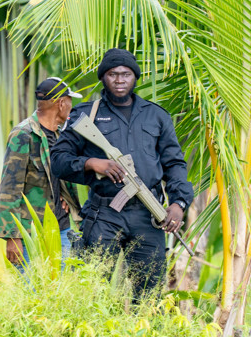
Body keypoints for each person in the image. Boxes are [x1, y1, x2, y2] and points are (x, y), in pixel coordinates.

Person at [51, 48, 194, 297]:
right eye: (112, 74)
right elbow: (58, 161)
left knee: (149, 295)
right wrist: (93, 163)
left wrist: (179, 203)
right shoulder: (86, 115)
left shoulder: (156, 116)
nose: (119, 80)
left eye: (126, 74)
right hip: (103, 213)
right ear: (103, 78)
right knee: (95, 289)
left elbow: (175, 165)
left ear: (135, 77)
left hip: (148, 215)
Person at [0, 77, 83, 266]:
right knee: (33, 291)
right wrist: (12, 237)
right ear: (61, 104)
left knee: (64, 292)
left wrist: (63, 197)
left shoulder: (60, 136)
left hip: (61, 229)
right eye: (70, 101)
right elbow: (9, 188)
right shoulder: (23, 134)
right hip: (31, 233)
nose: (71, 106)